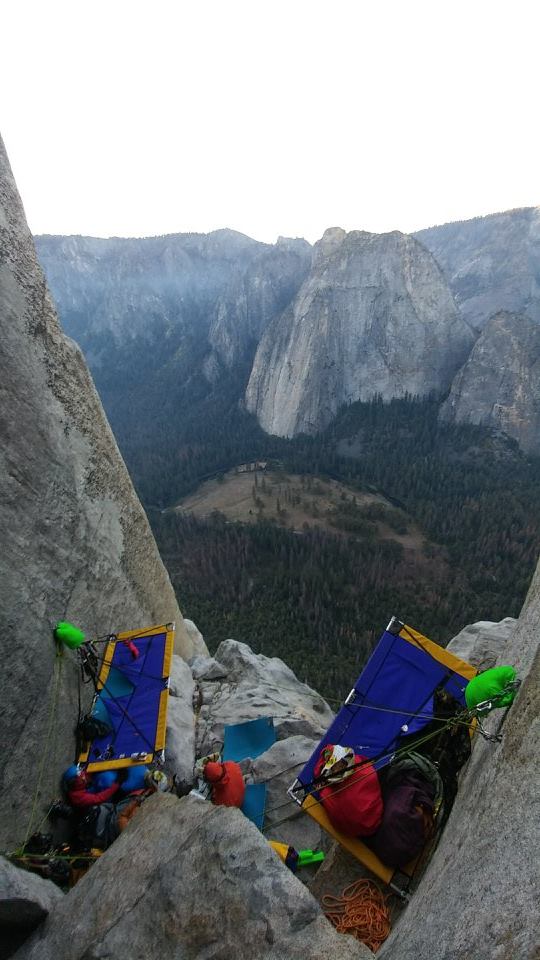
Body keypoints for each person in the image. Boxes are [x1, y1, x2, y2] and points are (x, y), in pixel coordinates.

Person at [313, 744, 383, 837]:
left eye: (340, 762)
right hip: (368, 824)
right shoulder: (327, 793)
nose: (339, 767)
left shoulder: (357, 764)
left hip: (371, 820)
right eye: (334, 767)